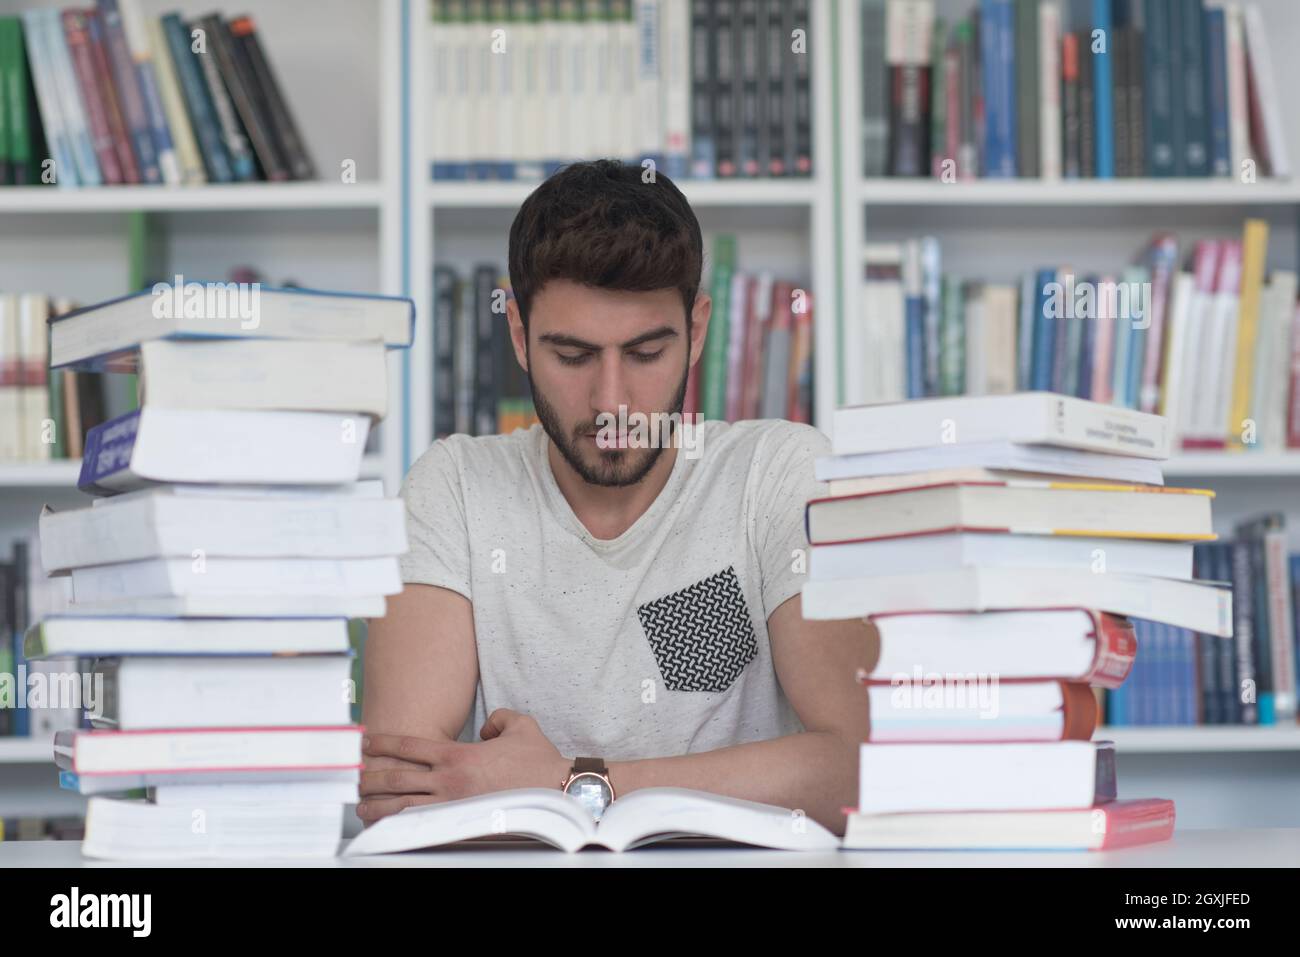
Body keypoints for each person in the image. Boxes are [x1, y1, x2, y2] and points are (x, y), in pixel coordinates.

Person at [360, 160, 875, 835]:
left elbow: (859, 766)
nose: (612, 402)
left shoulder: (778, 475)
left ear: (697, 330)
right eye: (573, 356)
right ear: (518, 335)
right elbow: (398, 793)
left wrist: (568, 783)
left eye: (645, 353)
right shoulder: (453, 489)